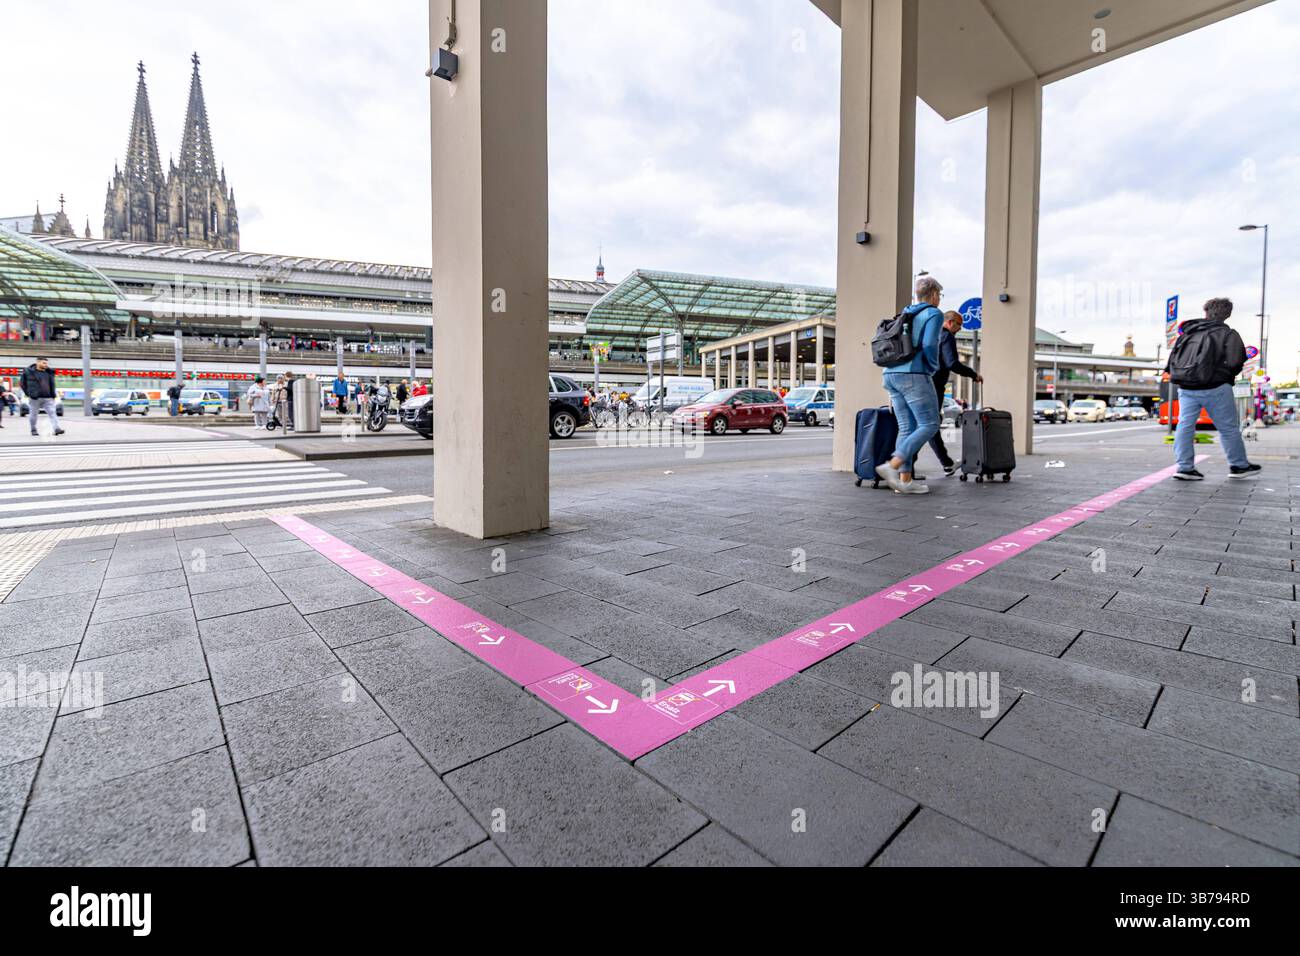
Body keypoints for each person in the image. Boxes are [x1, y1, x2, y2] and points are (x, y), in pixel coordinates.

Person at [1167, 297, 1259, 481]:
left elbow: (1173, 359)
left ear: (1206, 311)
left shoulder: (1188, 332)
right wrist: (1226, 374)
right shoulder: (1228, 333)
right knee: (1228, 428)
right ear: (1228, 314)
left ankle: (1184, 467)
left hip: (1186, 386)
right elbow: (1235, 361)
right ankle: (1238, 466)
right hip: (1216, 386)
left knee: (1185, 425)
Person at [875, 276, 944, 494]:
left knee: (907, 427)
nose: (939, 299)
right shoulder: (933, 313)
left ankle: (904, 482)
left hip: (890, 374)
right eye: (939, 295)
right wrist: (932, 367)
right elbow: (929, 344)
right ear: (934, 295)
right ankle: (892, 466)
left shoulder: (907, 312)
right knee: (930, 424)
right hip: (914, 374)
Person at [927, 310, 983, 477]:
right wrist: (973, 374)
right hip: (934, 385)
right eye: (959, 324)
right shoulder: (946, 336)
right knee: (929, 425)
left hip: (922, 382)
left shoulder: (930, 334)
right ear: (950, 322)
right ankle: (945, 463)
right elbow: (952, 363)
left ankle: (909, 469)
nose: (960, 329)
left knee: (921, 425)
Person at [20, 358, 63, 438]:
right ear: (38, 362)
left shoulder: (49, 372)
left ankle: (56, 428)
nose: (46, 365)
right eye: (44, 363)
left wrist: (52, 395)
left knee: (52, 413)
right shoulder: (28, 372)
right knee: (33, 415)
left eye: (46, 363)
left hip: (48, 397)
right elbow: (22, 384)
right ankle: (33, 429)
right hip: (35, 398)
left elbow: (52, 384)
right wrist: (29, 393)